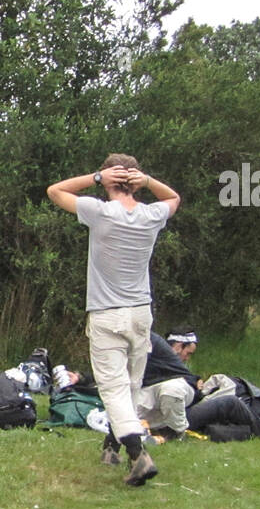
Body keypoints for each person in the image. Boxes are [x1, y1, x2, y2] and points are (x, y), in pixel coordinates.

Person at [46, 155, 180, 485]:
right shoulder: (151, 215)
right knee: (131, 385)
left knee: (114, 389)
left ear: (109, 180)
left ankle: (139, 456)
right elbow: (174, 198)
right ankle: (112, 446)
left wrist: (95, 177)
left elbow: (54, 191)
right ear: (133, 180)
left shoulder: (100, 211)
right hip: (140, 314)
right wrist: (147, 182)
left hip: (108, 315)